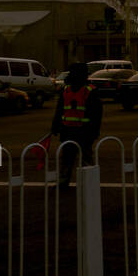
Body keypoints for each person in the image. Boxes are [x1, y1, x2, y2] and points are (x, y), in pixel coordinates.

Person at [52, 62, 103, 190]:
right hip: (69, 130)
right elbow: (60, 110)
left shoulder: (89, 91)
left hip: (83, 132)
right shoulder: (67, 90)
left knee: (84, 159)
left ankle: (90, 183)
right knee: (67, 159)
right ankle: (64, 182)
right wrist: (55, 126)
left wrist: (94, 131)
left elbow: (96, 114)